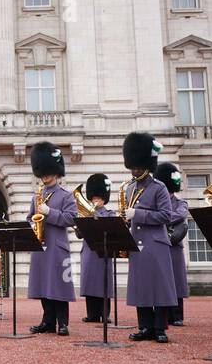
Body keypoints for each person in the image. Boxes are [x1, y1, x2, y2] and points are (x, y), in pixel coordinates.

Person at [119, 134, 177, 342]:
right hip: (137, 243)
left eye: (137, 167)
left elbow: (165, 216)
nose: (134, 171)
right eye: (132, 167)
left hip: (155, 243)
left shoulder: (159, 188)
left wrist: (139, 214)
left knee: (158, 287)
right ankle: (145, 327)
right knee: (141, 286)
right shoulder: (130, 188)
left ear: (146, 165)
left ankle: (160, 328)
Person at [27, 141, 76, 336]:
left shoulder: (65, 195)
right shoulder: (36, 196)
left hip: (58, 246)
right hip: (41, 245)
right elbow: (29, 216)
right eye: (43, 172)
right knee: (43, 284)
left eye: (48, 172)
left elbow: (71, 218)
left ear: (56, 172)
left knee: (59, 286)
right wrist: (32, 223)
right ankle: (47, 321)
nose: (45, 176)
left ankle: (63, 323)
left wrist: (50, 212)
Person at [78, 173, 116, 323]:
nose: (96, 201)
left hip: (103, 252)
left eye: (98, 199)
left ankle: (105, 314)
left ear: (104, 199)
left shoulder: (109, 213)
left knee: (103, 283)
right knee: (89, 282)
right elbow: (79, 234)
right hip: (88, 251)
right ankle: (92, 314)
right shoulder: (85, 214)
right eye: (94, 199)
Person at [156, 162, 190, 326]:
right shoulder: (157, 201)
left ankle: (176, 315)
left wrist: (160, 218)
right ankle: (162, 314)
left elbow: (180, 215)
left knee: (176, 281)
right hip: (159, 245)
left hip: (174, 246)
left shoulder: (181, 202)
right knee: (162, 280)